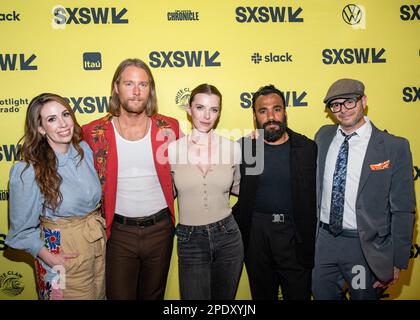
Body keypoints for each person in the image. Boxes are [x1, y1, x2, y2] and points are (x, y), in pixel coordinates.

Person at [82, 58, 181, 300]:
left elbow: (199, 151)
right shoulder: (93, 132)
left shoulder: (169, 127)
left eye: (143, 84)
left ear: (150, 89)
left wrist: (251, 142)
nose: (136, 92)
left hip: (161, 230)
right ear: (116, 87)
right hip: (118, 233)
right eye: (129, 83)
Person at [312, 78, 416, 300]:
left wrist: (396, 261)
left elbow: (403, 209)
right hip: (324, 244)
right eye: (335, 105)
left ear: (364, 101)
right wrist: (259, 137)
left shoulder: (393, 147)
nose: (343, 110)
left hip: (362, 248)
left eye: (349, 101)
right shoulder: (323, 136)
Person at [5, 93, 105, 300]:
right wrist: (49, 258)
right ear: (41, 128)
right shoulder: (28, 171)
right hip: (61, 250)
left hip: (96, 245)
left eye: (65, 114)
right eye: (51, 119)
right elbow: (21, 231)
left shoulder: (84, 151)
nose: (63, 124)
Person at [232, 84, 317, 300]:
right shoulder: (244, 148)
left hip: (295, 234)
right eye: (263, 111)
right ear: (255, 116)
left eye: (276, 109)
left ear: (285, 112)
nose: (271, 117)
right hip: (256, 236)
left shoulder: (307, 148)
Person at [168, 83, 243, 300]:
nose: (207, 115)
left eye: (214, 109)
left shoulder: (232, 148)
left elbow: (239, 187)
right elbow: (164, 194)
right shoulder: (172, 150)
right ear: (189, 110)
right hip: (190, 239)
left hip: (228, 235)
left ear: (219, 113)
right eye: (200, 107)